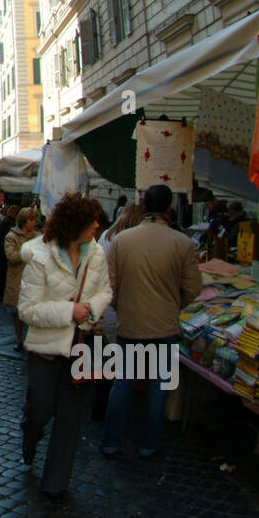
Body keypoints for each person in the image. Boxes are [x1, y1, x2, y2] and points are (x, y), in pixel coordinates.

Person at [17, 193, 111, 500]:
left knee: (71, 418)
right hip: (44, 349)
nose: (98, 225)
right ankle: (30, 434)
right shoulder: (40, 257)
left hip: (80, 346)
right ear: (75, 225)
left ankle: (55, 483)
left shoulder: (96, 254)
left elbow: (105, 291)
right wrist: (69, 311)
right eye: (92, 220)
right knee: (41, 410)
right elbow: (27, 311)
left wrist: (90, 310)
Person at [101, 183, 203, 459]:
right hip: (164, 326)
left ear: (144, 207)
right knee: (159, 387)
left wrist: (123, 306)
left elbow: (109, 287)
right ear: (169, 209)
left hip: (131, 325)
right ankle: (149, 444)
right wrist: (173, 305)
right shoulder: (182, 243)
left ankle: (111, 441)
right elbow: (194, 287)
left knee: (122, 383)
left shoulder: (122, 240)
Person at [3, 208, 40, 349]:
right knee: (17, 312)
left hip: (34, 277)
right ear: (24, 221)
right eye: (31, 220)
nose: (34, 222)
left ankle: (31, 338)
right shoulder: (11, 236)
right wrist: (27, 252)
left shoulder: (38, 236)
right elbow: (11, 256)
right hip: (17, 278)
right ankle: (19, 338)